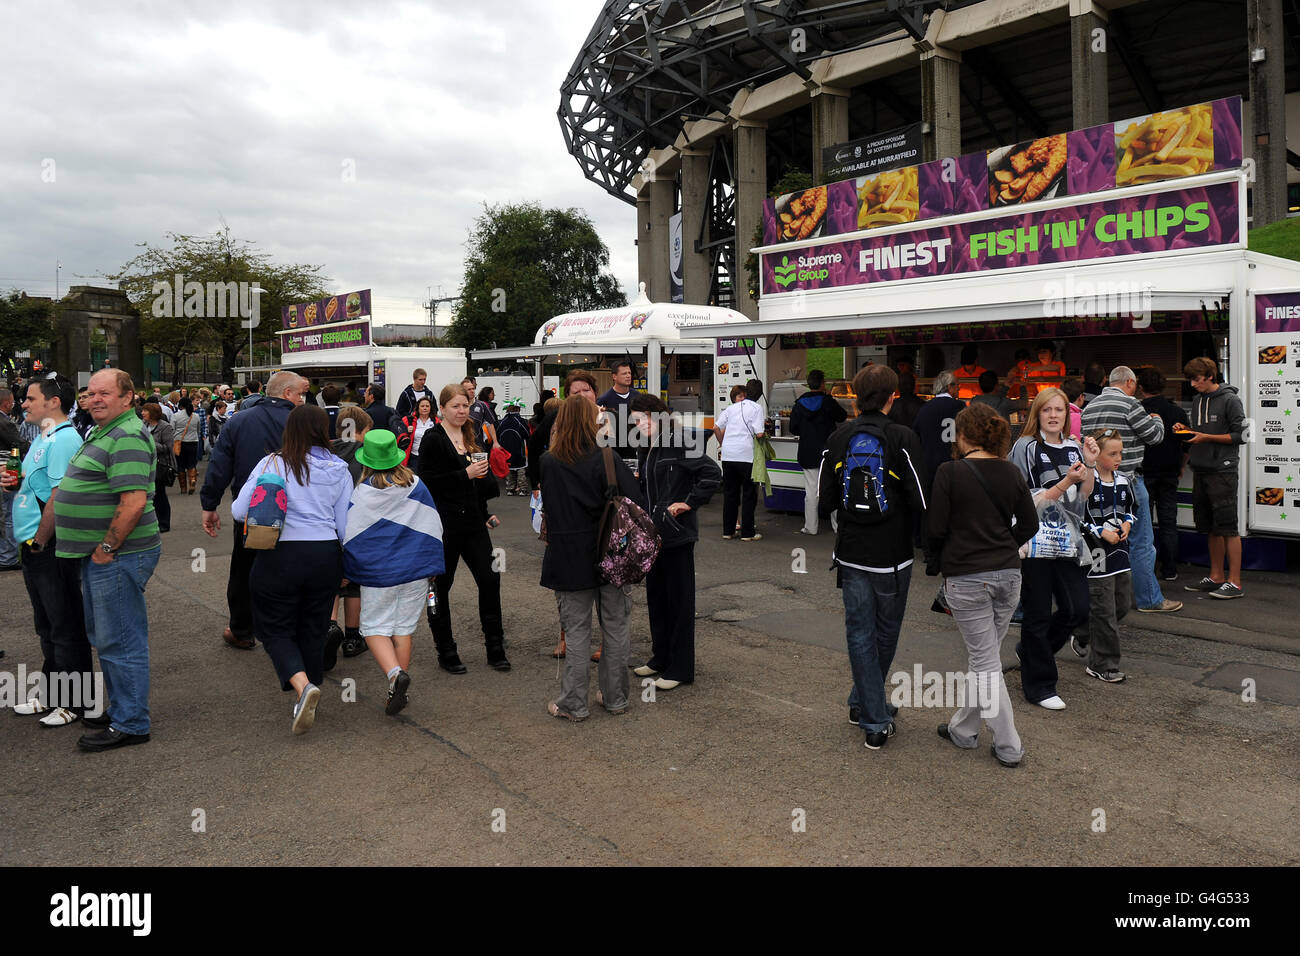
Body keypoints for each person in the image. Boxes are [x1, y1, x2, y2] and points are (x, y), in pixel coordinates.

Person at [818, 364, 928, 750]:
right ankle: (875, 719)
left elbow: (824, 499)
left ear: (856, 395)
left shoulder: (839, 436)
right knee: (885, 633)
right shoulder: (902, 437)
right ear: (892, 397)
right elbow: (921, 499)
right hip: (893, 555)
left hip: (850, 554)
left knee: (859, 633)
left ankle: (862, 700)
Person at [53, 369, 161, 751]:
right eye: (90, 394)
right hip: (106, 556)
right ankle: (122, 708)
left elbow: (132, 503)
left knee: (121, 639)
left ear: (128, 397)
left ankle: (132, 722)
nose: (94, 399)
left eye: (104, 394)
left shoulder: (128, 435)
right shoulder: (105, 431)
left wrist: (106, 549)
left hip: (119, 556)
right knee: (107, 637)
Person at [927, 403, 1038, 768]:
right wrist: (1005, 542)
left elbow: (936, 529)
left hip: (967, 577)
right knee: (986, 657)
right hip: (1008, 575)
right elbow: (1030, 525)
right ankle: (964, 728)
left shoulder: (949, 472)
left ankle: (1008, 744)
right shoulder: (1011, 472)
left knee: (984, 661)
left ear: (963, 435)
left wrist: (939, 559)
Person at [231, 405, 353, 735]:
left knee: (273, 626)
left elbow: (240, 510)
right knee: (314, 626)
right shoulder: (340, 468)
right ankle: (308, 690)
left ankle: (302, 687)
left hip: (280, 554)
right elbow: (346, 525)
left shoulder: (272, 462)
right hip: (325, 554)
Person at [541, 395, 644, 720]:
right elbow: (635, 501)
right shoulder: (607, 457)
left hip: (568, 556)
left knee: (576, 630)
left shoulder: (548, 461)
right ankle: (615, 698)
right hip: (610, 554)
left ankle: (574, 703)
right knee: (615, 627)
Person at [200, 371, 309, 651]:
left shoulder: (239, 421)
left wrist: (209, 504)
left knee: (244, 569)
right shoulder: (303, 423)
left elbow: (219, 465)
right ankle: (289, 630)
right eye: (300, 394)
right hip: (297, 511)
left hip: (252, 510)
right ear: (286, 394)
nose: (303, 399)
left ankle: (242, 629)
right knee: (291, 569)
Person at [5, 375, 93, 726]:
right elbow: (38, 486)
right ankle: (52, 695)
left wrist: (41, 540)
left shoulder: (64, 440)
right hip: (33, 544)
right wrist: (17, 483)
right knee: (47, 625)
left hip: (50, 545)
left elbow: (60, 496)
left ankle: (75, 703)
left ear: (53, 402)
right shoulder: (45, 437)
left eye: (29, 398)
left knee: (66, 624)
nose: (23, 403)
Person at [343, 429, 445, 716]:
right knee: (403, 628)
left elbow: (351, 536)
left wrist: (349, 569)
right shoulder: (416, 484)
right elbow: (432, 525)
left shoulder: (362, 493)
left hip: (378, 575)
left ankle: (394, 675)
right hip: (415, 571)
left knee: (374, 627)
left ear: (367, 461)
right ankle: (397, 687)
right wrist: (432, 564)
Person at [1010, 387, 1099, 710]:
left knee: (1077, 609)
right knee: (1036, 613)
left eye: (1059, 410)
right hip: (1035, 540)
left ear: (1067, 414)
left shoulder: (1075, 448)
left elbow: (1084, 493)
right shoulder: (1025, 447)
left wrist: (1088, 464)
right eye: (1047, 409)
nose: (1053, 415)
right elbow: (1023, 499)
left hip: (1068, 540)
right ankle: (1039, 686)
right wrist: (1064, 482)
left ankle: (1034, 652)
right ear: (1037, 413)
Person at [630, 392, 720, 691]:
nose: (638, 425)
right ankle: (660, 658)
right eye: (635, 422)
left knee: (679, 602)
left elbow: (711, 473)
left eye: (641, 420)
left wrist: (688, 503)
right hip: (653, 534)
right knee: (657, 599)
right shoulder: (648, 445)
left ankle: (680, 668)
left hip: (677, 535)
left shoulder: (679, 440)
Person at [417, 383, 509, 673]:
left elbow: (477, 483)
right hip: (444, 525)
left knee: (490, 580)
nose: (461, 411)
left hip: (472, 523)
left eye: (465, 406)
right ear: (441, 408)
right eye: (455, 406)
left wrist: (485, 510)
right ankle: (446, 650)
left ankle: (495, 647)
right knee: (441, 587)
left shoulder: (471, 435)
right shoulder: (433, 438)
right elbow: (427, 482)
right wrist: (464, 473)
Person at [1080, 365, 1182, 613]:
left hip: (1096, 482)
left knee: (1100, 540)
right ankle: (1149, 600)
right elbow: (1155, 437)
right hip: (1128, 481)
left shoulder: (1089, 407)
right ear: (1130, 383)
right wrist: (1156, 420)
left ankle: (1103, 599)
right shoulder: (1132, 405)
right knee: (1142, 542)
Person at [528, 372, 601, 660]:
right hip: (562, 512)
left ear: (595, 393)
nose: (582, 395)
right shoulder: (558, 417)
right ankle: (566, 637)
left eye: (586, 390)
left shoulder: (608, 419)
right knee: (563, 580)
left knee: (605, 581)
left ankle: (606, 641)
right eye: (575, 391)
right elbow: (534, 446)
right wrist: (537, 483)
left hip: (600, 514)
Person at [1181, 356, 1247, 599]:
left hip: (1223, 470)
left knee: (1228, 528)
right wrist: (1185, 431)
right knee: (1210, 528)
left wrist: (1205, 438)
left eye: (1196, 379)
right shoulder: (1198, 400)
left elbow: (1241, 436)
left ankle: (1235, 583)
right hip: (1202, 468)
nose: (1192, 384)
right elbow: (1199, 433)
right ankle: (1217, 576)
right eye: (1190, 379)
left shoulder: (1231, 399)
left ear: (1210, 376)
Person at [1078, 428, 1137, 683]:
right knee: (1105, 612)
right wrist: (1100, 530)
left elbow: (1131, 509)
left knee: (1121, 605)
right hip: (1097, 554)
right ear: (1097, 454)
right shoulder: (1087, 481)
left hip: (1121, 554)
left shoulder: (1124, 480)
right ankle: (1103, 664)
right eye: (1112, 453)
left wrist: (1127, 524)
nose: (1118, 458)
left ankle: (1080, 631)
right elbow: (1079, 514)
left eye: (1120, 453)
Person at [326, 406, 373, 662]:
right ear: (362, 431)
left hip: (326, 528)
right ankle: (353, 638)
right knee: (354, 585)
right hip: (357, 527)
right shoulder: (366, 456)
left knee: (332, 581)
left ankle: (330, 626)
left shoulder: (326, 452)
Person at [1137, 366, 1189, 581]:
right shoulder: (1177, 411)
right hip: (1169, 473)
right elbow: (1187, 443)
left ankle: (1146, 570)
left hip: (1143, 474)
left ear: (1141, 387)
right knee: (1169, 523)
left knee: (1144, 524)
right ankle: (1170, 569)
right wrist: (1182, 466)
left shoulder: (1137, 410)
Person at [788, 369, 847, 536]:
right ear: (822, 384)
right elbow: (842, 416)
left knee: (811, 491)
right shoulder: (828, 402)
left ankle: (811, 527)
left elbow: (793, 428)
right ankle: (838, 527)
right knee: (833, 488)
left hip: (807, 451)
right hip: (829, 452)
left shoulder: (799, 404)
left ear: (809, 384)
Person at [713, 378, 766, 541]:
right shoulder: (757, 408)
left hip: (729, 455)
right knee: (749, 494)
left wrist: (723, 443)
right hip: (747, 455)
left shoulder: (731, 408)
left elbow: (716, 427)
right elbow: (759, 434)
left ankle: (728, 531)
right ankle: (748, 533)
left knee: (730, 494)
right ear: (759, 394)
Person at [910, 370, 964, 500]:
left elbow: (915, 434)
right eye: (957, 385)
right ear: (950, 386)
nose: (959, 388)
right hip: (954, 462)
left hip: (929, 464)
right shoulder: (959, 406)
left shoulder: (924, 408)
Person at [0, 386, 30, 570]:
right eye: (12, 401)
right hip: (6, 470)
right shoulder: (3, 422)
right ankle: (8, 557)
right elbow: (18, 443)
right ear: (6, 403)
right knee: (9, 514)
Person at [141, 404, 175, 533]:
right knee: (149, 495)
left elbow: (168, 447)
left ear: (153, 413)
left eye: (145, 411)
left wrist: (149, 443)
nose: (143, 413)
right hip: (145, 465)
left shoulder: (165, 427)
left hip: (160, 466)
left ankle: (164, 522)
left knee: (160, 495)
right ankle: (152, 522)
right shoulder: (143, 425)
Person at [597, 359, 641, 458]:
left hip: (636, 445)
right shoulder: (604, 400)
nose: (628, 376)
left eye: (629, 373)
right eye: (624, 373)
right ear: (614, 376)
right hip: (614, 449)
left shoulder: (638, 397)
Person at [497, 399, 531, 495]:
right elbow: (527, 433)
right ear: (518, 409)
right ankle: (522, 488)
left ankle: (510, 488)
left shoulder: (503, 421)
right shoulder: (520, 421)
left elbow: (498, 434)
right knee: (520, 468)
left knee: (509, 468)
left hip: (505, 449)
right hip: (518, 448)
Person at [398, 397, 438, 472]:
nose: (425, 408)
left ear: (431, 408)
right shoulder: (409, 420)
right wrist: (406, 430)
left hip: (431, 457)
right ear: (418, 408)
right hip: (414, 457)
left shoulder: (436, 422)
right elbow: (399, 433)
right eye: (422, 406)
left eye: (427, 406)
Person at [172, 396, 201, 494]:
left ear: (181, 405)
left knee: (180, 465)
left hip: (179, 442)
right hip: (193, 441)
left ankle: (183, 488)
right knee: (191, 463)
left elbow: (172, 429)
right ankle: (192, 480)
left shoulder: (175, 415)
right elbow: (198, 429)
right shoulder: (195, 416)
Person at [462, 377, 498, 448]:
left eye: (473, 389)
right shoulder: (458, 405)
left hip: (478, 445)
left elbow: (489, 424)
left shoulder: (482, 405)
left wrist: (495, 442)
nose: (472, 391)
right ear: (462, 391)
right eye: (469, 389)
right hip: (462, 445)